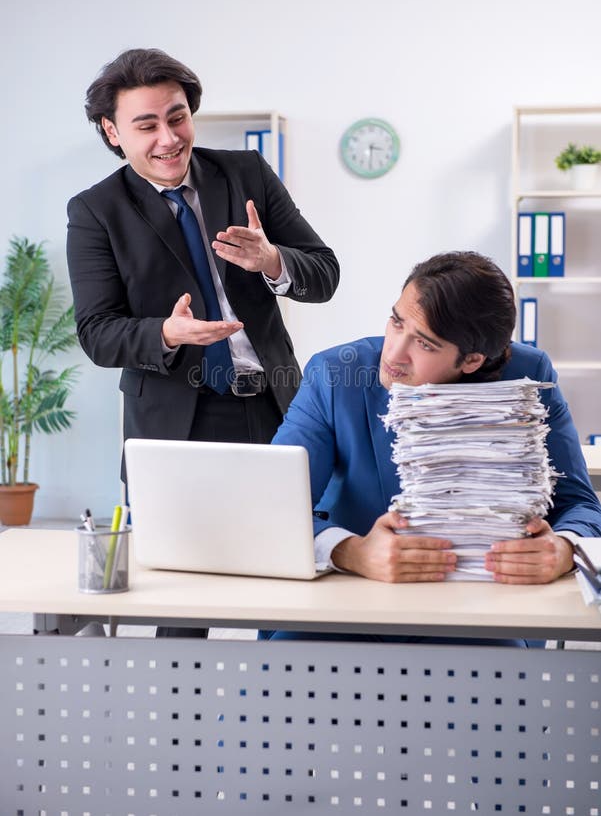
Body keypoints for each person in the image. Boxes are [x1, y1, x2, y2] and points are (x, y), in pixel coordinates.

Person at [268, 251, 601, 642]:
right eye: (396, 322)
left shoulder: (528, 377)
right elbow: (272, 506)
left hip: (484, 614)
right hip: (348, 605)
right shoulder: (336, 374)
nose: (394, 353)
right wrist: (351, 552)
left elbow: (581, 505)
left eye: (424, 344)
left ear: (471, 360)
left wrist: (563, 549)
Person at [67, 48, 339, 461]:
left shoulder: (247, 173)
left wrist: (272, 260)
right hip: (172, 424)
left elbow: (325, 274)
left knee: (289, 507)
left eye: (177, 118)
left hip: (274, 407)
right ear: (112, 131)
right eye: (147, 126)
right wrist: (166, 333)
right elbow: (97, 333)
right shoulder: (96, 211)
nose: (169, 139)